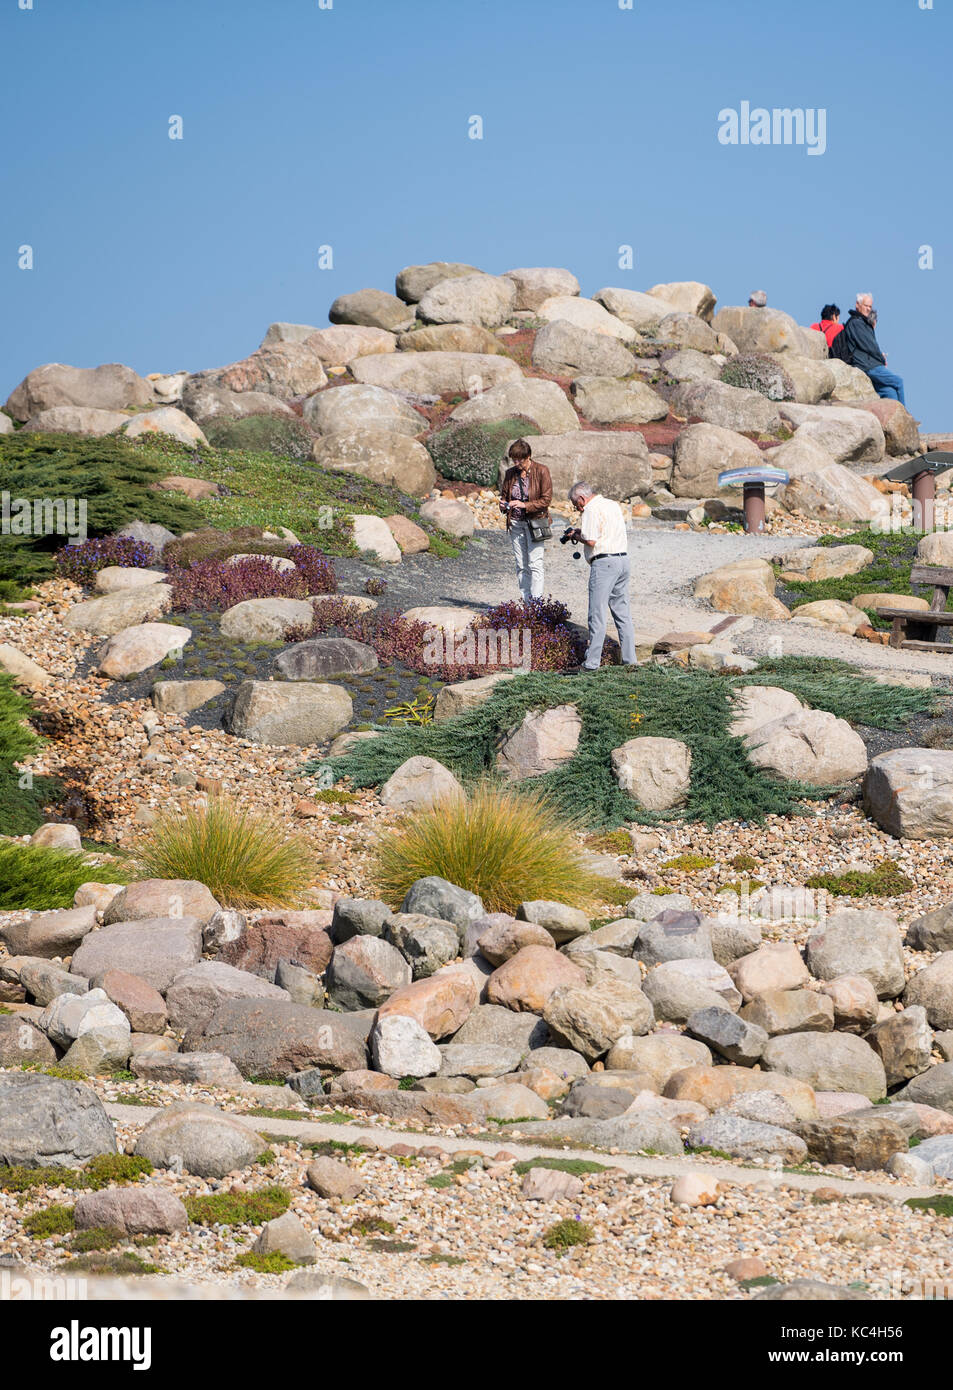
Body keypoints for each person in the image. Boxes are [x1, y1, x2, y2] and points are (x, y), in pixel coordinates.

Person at [566, 482, 637, 671]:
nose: (577, 508)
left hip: (604, 563)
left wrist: (576, 536)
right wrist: (581, 534)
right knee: (622, 613)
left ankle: (591, 663)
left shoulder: (590, 509)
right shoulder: (612, 504)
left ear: (582, 499)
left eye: (576, 504)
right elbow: (604, 533)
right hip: (623, 560)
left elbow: (591, 540)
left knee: (596, 614)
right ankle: (630, 661)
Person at [499, 438, 552, 601]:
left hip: (535, 523)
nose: (516, 463)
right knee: (521, 565)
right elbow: (505, 496)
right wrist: (503, 504)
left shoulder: (542, 471)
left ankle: (536, 604)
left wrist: (524, 505)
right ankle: (526, 602)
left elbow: (546, 500)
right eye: (514, 460)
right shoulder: (510, 473)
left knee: (535, 564)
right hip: (515, 523)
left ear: (528, 456)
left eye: (519, 460)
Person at [841, 293, 906, 403]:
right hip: (867, 365)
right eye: (866, 305)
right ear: (857, 305)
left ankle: (895, 413)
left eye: (870, 307)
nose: (868, 309)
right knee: (898, 382)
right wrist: (881, 358)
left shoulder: (863, 323)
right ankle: (905, 413)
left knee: (889, 392)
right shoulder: (856, 323)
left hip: (869, 364)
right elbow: (870, 346)